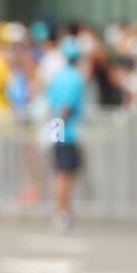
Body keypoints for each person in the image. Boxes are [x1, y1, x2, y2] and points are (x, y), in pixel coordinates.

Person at [46, 38, 87, 230]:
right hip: (68, 131)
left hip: (57, 128)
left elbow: (51, 103)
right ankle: (62, 212)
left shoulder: (57, 76)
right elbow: (65, 107)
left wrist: (55, 131)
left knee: (60, 173)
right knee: (65, 174)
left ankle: (63, 211)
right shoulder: (75, 78)